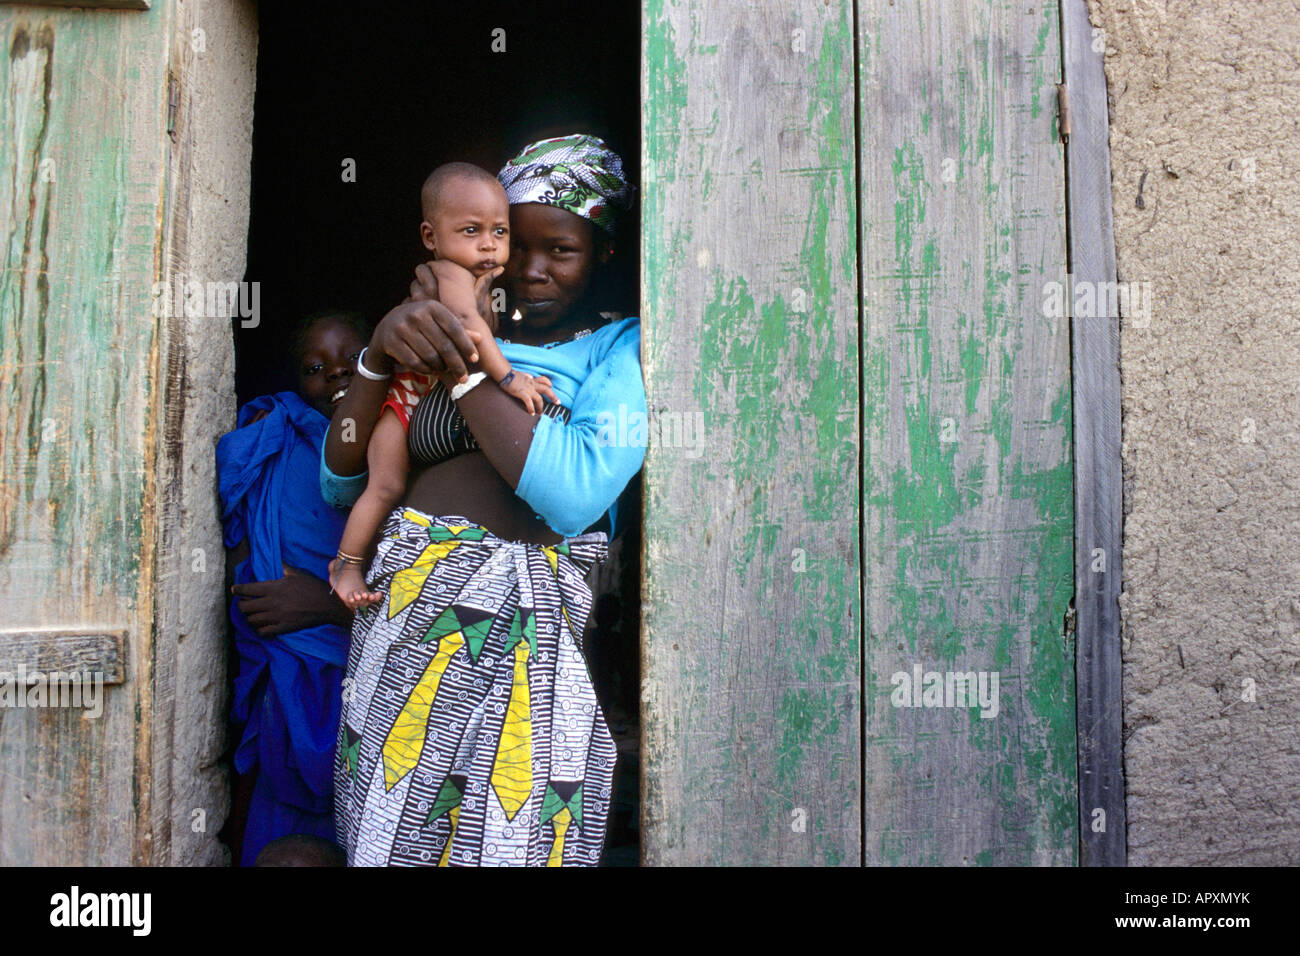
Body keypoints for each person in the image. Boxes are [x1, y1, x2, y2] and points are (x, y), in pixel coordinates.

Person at [321, 133, 643, 866]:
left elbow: (570, 494)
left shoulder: (615, 351)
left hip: (531, 632)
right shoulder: (432, 333)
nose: (524, 267)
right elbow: (342, 479)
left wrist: (465, 370)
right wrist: (378, 354)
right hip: (410, 617)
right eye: (503, 240)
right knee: (393, 831)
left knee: (510, 836)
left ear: (604, 255)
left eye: (558, 249)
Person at [328, 162, 556, 609]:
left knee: (396, 487)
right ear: (431, 238)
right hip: (403, 400)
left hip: (426, 401)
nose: (489, 244)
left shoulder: (485, 279)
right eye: (471, 231)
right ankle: (347, 564)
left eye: (500, 232)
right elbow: (468, 327)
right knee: (386, 486)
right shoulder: (449, 274)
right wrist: (509, 377)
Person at [217, 311, 368, 866]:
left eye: (353, 359)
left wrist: (331, 606)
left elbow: (434, 598)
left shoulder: (410, 443)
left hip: (370, 687)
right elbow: (246, 577)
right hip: (285, 680)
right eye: (314, 367)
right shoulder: (272, 441)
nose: (336, 375)